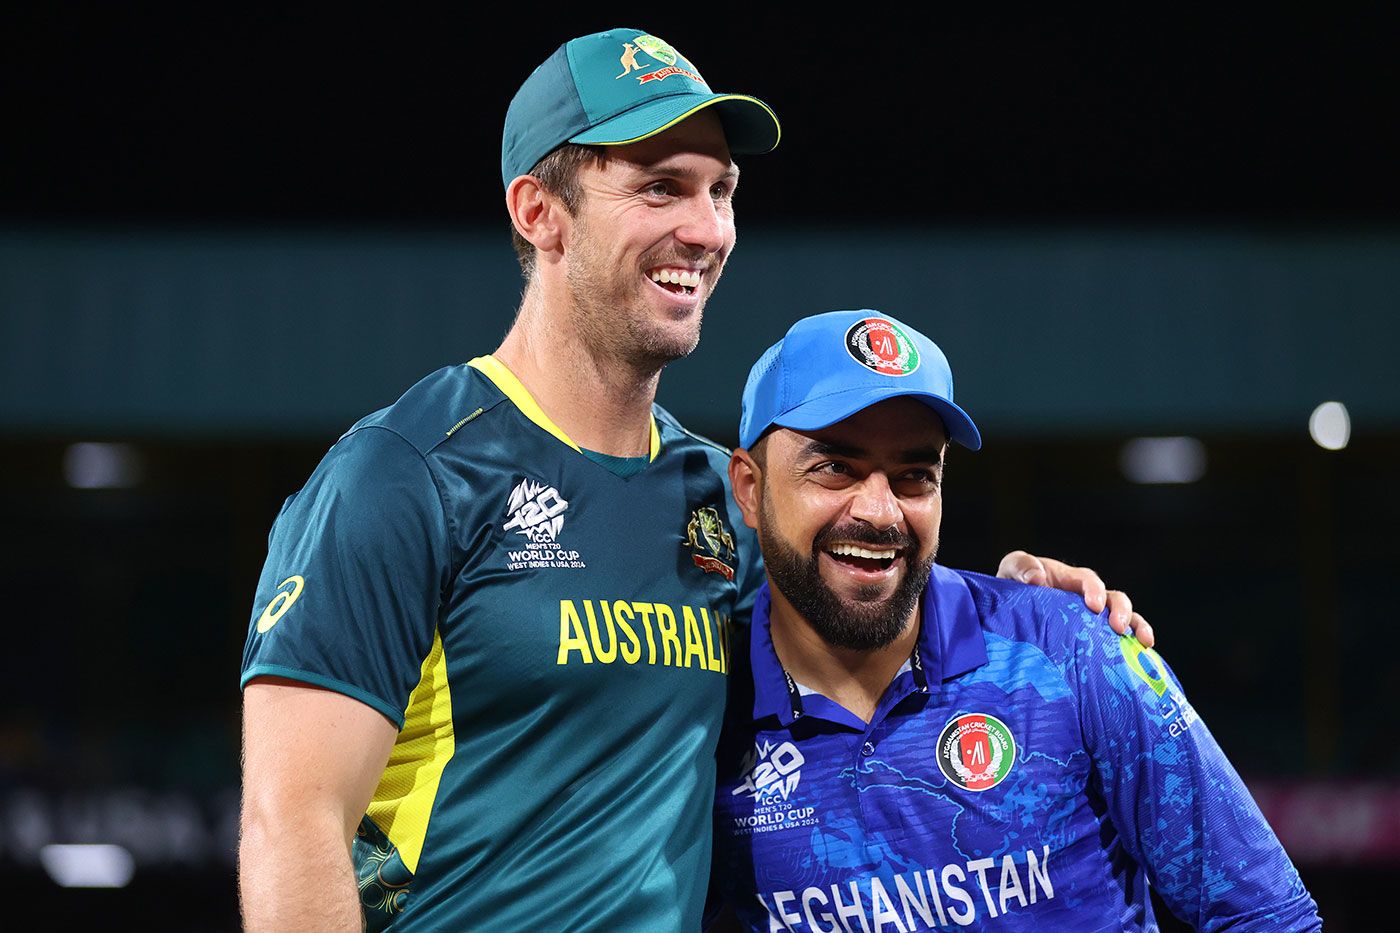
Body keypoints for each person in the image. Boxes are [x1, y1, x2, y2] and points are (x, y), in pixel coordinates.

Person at [237, 28, 1150, 932]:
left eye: (722, 191)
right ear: (537, 211)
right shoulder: (407, 475)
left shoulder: (722, 496)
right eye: (660, 187)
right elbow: (292, 823)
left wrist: (1020, 603)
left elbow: (874, 631)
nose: (707, 229)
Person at [709, 310, 1321, 931]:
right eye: (835, 467)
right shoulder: (703, 707)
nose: (879, 511)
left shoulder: (1074, 649)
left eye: (915, 475)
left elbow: (1270, 917)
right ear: (749, 489)